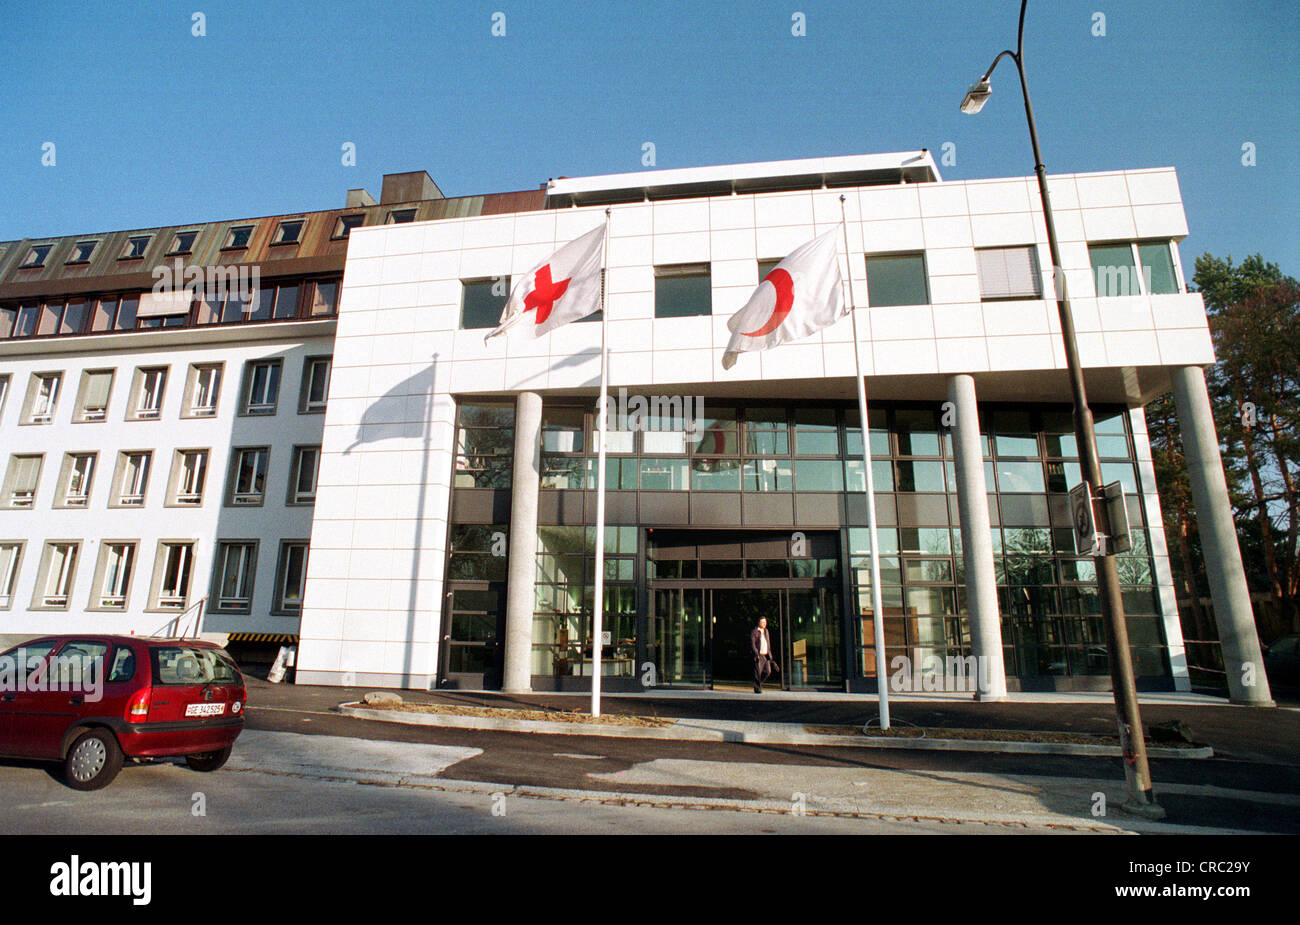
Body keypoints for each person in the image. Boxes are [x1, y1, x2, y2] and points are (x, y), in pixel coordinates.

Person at [750, 617, 778, 693]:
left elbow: (768, 644)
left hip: (766, 655)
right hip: (759, 655)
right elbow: (753, 644)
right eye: (762, 622)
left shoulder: (766, 631)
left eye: (765, 622)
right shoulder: (755, 632)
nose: (764, 623)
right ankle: (757, 688)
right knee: (758, 672)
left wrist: (770, 655)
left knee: (768, 671)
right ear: (759, 622)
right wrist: (756, 653)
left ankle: (758, 683)